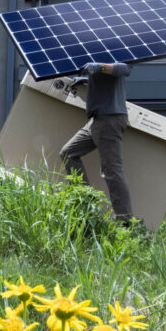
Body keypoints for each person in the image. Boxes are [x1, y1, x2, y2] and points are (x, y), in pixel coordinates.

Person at [60, 61, 134, 223]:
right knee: (68, 153)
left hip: (110, 119)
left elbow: (125, 69)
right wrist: (87, 80)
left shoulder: (116, 48)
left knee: (111, 170)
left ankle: (125, 221)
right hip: (97, 119)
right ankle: (87, 204)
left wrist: (98, 67)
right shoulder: (94, 50)